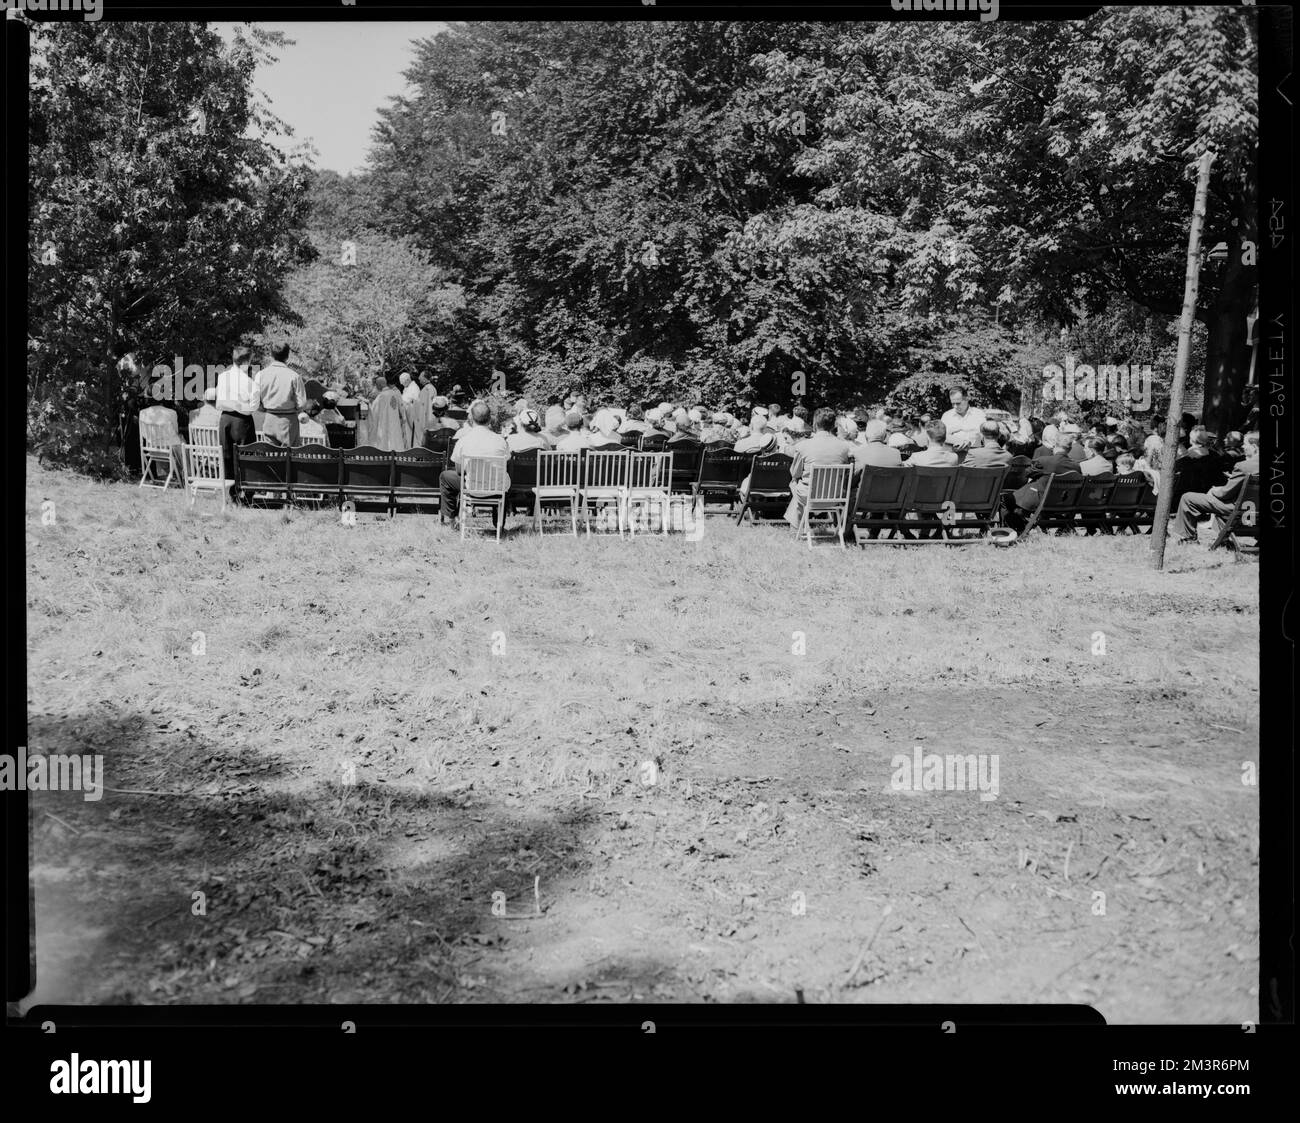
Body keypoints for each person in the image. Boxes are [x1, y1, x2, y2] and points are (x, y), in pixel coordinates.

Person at [1174, 433, 1260, 543]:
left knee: (1187, 498)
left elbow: (1225, 494)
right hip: (1254, 509)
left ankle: (1188, 538)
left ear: (1254, 447)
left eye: (1245, 444)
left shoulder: (1243, 466)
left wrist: (1215, 491)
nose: (1243, 447)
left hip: (1237, 507)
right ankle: (1222, 538)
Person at [440, 399, 512, 523]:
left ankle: (452, 517)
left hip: (472, 488)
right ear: (490, 420)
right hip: (497, 489)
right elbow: (506, 462)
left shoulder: (464, 440)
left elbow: (459, 470)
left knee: (445, 476)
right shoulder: (500, 441)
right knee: (503, 479)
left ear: (471, 419)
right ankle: (499, 524)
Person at [784, 407, 852, 528]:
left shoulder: (803, 445)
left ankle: (797, 526)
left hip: (808, 496)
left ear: (815, 424)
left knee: (794, 482)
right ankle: (799, 526)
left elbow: (794, 473)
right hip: (835, 497)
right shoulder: (844, 447)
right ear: (833, 425)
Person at [250, 341, 309, 447]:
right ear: (287, 356)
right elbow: (302, 404)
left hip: (269, 420)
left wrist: (265, 408)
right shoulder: (294, 376)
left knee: (271, 457)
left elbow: (255, 401)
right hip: (289, 422)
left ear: (271, 355)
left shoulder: (260, 375)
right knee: (290, 459)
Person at [215, 344, 259, 476]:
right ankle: (246, 492)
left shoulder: (222, 377)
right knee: (246, 457)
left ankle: (232, 492)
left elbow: (219, 403)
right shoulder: (250, 382)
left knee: (227, 457)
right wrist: (239, 405)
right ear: (246, 362)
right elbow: (253, 407)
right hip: (242, 422)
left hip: (225, 419)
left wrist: (232, 404)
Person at [363, 372, 414, 451]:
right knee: (394, 438)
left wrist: (370, 403)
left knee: (385, 441)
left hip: (385, 422)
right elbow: (401, 407)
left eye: (376, 385)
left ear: (379, 385)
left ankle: (385, 454)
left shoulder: (381, 396)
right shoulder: (393, 393)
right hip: (395, 421)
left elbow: (374, 411)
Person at [940, 387, 986, 452]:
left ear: (967, 399)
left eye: (958, 403)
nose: (955, 406)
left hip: (974, 455)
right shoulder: (947, 416)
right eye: (953, 403)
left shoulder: (979, 414)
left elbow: (985, 436)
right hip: (953, 456)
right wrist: (958, 440)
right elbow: (940, 437)